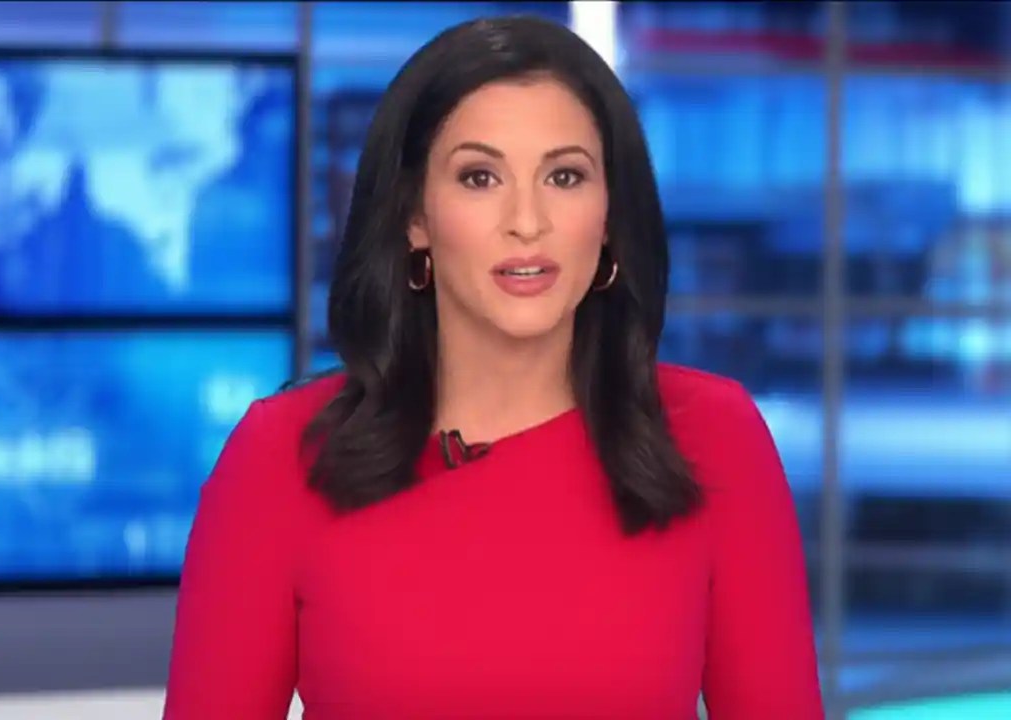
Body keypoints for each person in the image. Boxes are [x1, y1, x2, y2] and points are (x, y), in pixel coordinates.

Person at [164, 15, 825, 720]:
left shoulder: (714, 437)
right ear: (415, 217)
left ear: (608, 216)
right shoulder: (281, 458)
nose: (527, 221)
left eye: (565, 176)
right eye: (480, 177)